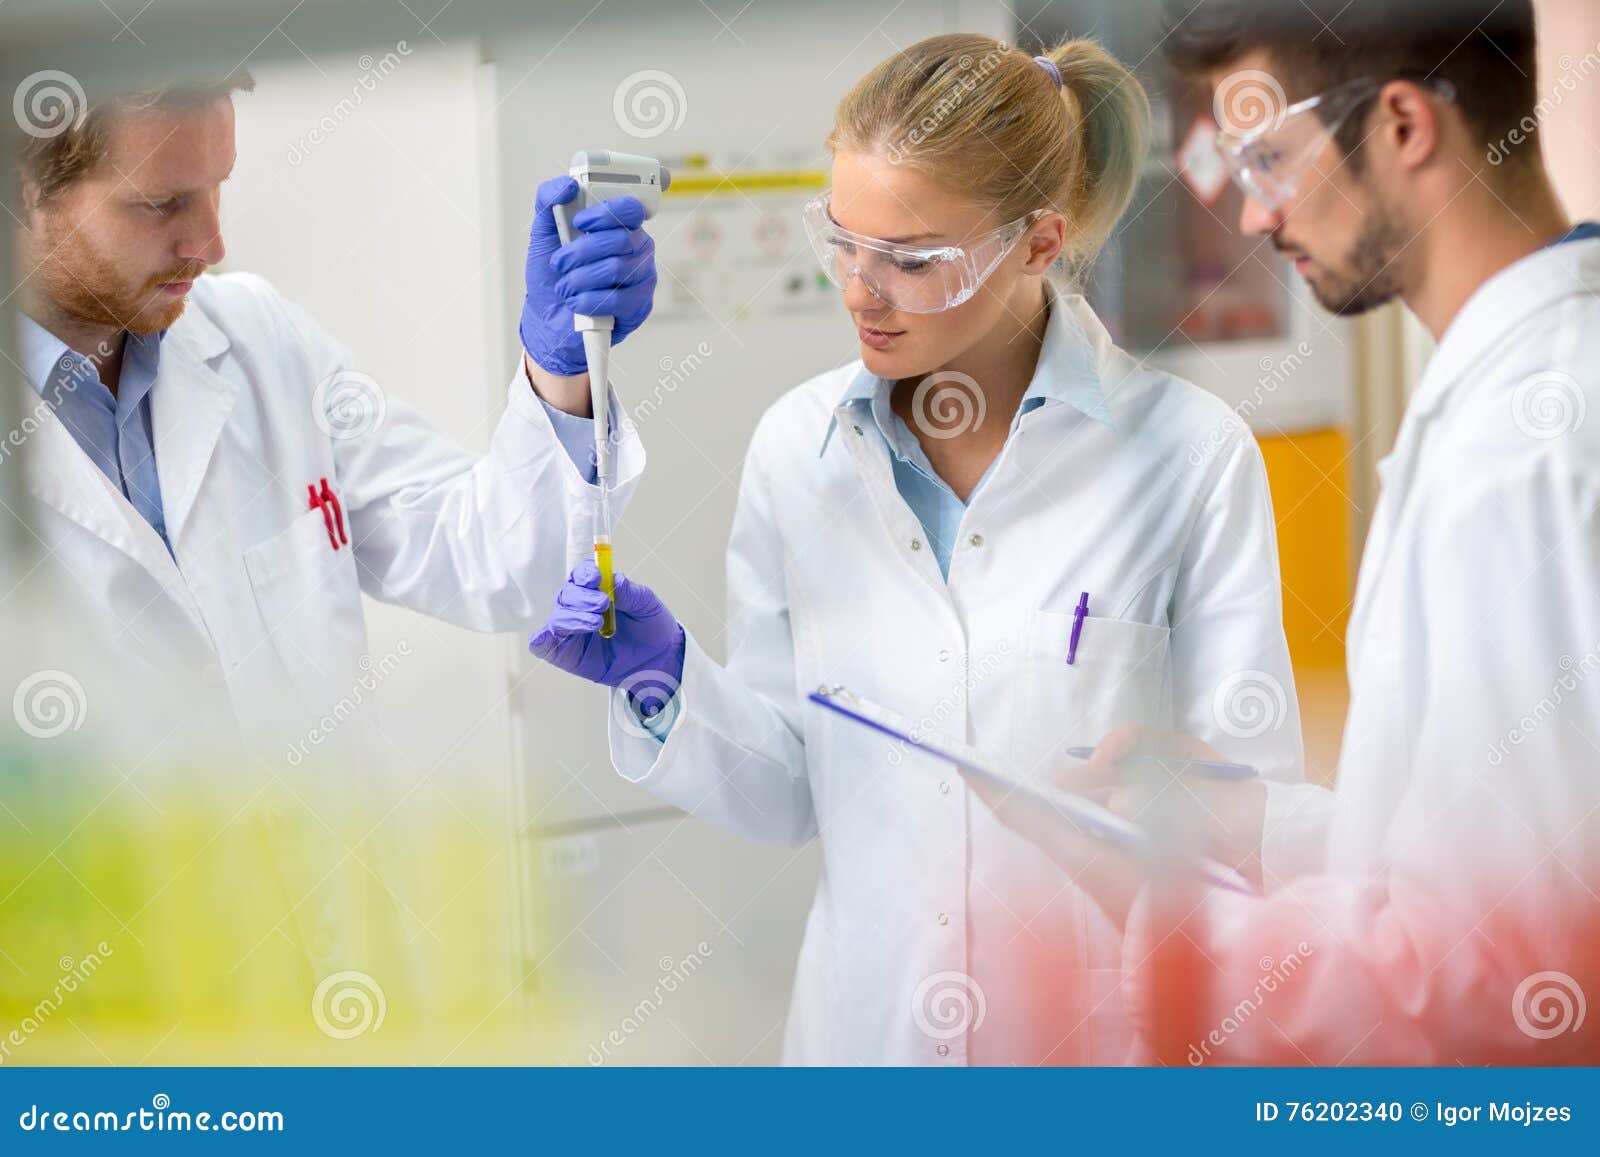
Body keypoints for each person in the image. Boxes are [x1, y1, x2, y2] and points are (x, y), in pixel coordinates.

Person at [531, 34, 1309, 1065]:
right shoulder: (796, 453)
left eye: (910, 259)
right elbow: (786, 791)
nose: (860, 288)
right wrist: (664, 681)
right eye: (842, 240)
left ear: (1039, 242)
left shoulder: (1187, 458)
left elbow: (1243, 821)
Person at [978, 0, 1600, 1064]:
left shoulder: (1522, 450)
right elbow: (1491, 855)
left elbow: (1509, 981)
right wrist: (1252, 825)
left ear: (1403, 126)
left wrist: (1175, 925)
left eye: (1267, 161)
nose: (1256, 217)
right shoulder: (1529, 387)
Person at [7, 75, 655, 748]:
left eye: (217, 186)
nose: (210, 241)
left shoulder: (259, 338)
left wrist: (561, 364)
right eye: (160, 203)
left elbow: (490, 556)